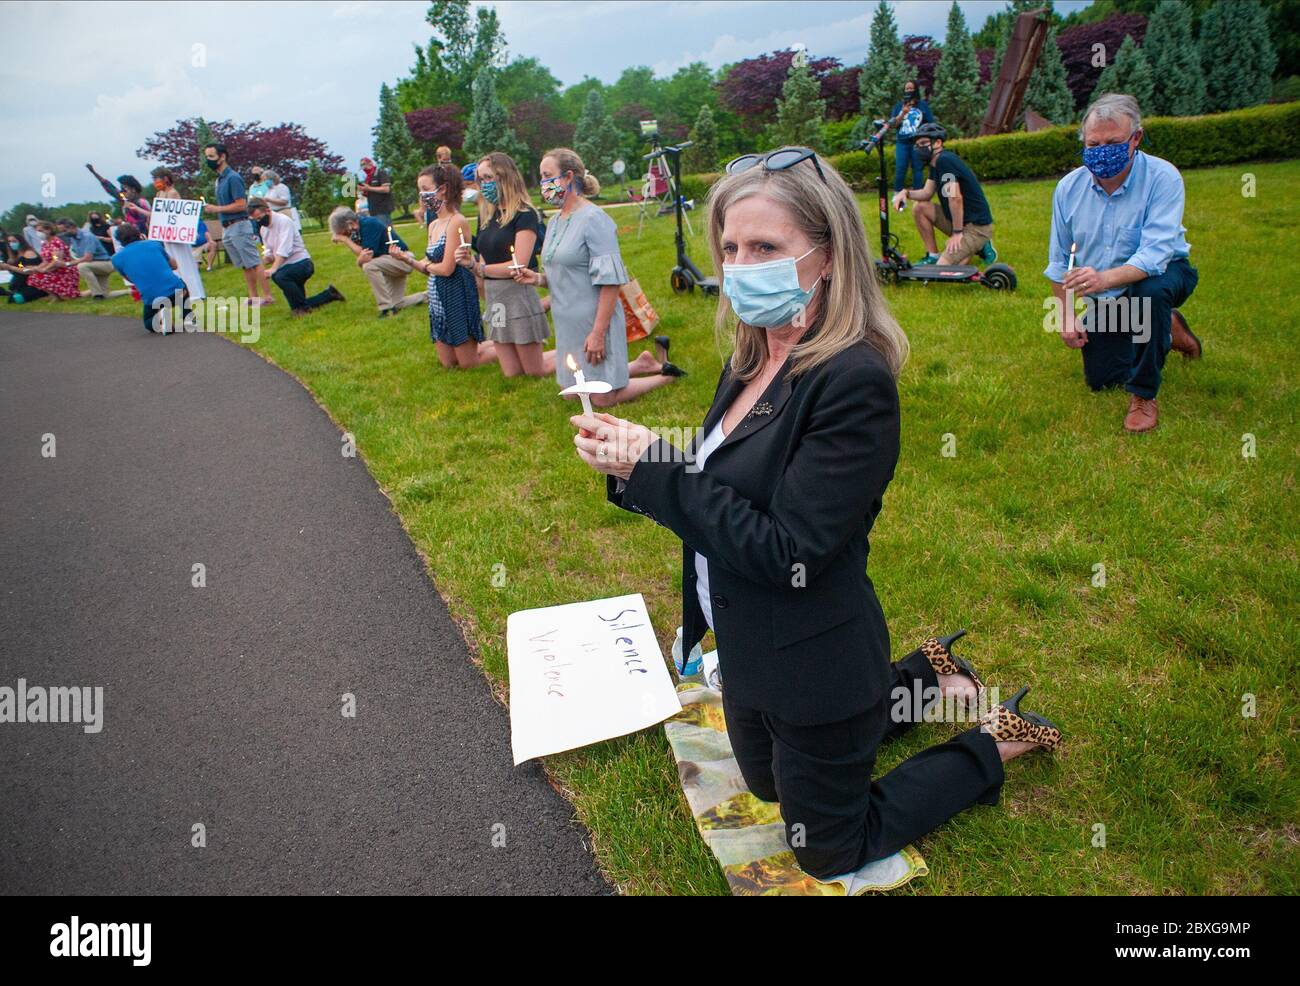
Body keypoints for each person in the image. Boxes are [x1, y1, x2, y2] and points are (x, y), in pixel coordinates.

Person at [568, 147, 1062, 882]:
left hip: (813, 656)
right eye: (730, 248)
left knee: (827, 848)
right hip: (747, 646)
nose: (740, 265)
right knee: (767, 785)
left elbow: (786, 549)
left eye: (765, 247)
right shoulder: (753, 355)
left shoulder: (852, 381)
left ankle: (995, 740)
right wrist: (630, 464)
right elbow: (716, 483)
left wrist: (656, 468)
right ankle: (925, 678)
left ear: (827, 256)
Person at [1045, 94, 1200, 434]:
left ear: (1136, 138)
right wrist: (1068, 315)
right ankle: (1167, 327)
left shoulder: (1163, 178)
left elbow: (1155, 256)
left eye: (1113, 142)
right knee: (1103, 380)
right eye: (1093, 143)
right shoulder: (1068, 188)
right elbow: (1059, 261)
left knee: (1151, 291)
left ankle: (1144, 396)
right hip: (1111, 293)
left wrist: (1102, 280)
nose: (1102, 150)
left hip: (1166, 272)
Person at [510, 147, 683, 406]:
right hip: (567, 321)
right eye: (541, 176)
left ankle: (665, 376)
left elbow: (611, 282)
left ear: (568, 177)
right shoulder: (556, 221)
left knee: (602, 398)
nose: (543, 183)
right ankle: (641, 364)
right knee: (572, 393)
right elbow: (562, 271)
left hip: (594, 320)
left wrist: (598, 334)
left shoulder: (594, 219)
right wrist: (536, 279)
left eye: (548, 176)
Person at [389, 165, 496, 368]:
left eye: (425, 188)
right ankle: (495, 344)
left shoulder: (456, 221)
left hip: (456, 293)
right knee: (449, 363)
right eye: (420, 190)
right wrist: (405, 259)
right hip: (437, 295)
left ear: (443, 189)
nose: (422, 195)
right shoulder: (433, 224)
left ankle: (508, 346)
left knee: (468, 364)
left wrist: (427, 264)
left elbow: (447, 269)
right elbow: (428, 267)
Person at [458, 152, 550, 376]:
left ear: (504, 177)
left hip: (518, 295)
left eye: (488, 178)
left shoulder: (525, 214)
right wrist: (471, 262)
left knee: (534, 371)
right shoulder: (486, 215)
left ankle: (573, 355)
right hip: (495, 297)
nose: (483, 184)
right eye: (480, 179)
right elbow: (482, 256)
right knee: (511, 373)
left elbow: (517, 264)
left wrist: (480, 269)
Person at [892, 123, 997, 267]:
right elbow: (926, 193)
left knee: (943, 268)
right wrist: (905, 193)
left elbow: (955, 198)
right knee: (920, 207)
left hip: (976, 227)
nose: (919, 148)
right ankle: (933, 255)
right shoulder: (935, 163)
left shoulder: (945, 161)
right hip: (960, 221)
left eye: (923, 143)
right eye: (917, 145)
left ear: (938, 143)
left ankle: (978, 244)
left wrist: (957, 233)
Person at [203, 142, 274, 306]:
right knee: (244, 264)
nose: (209, 160)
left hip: (239, 225)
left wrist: (216, 209)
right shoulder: (219, 180)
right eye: (207, 157)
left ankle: (267, 296)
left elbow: (241, 204)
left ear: (222, 157)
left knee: (254, 262)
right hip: (227, 227)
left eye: (211, 156)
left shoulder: (233, 178)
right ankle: (253, 296)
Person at [248, 197, 343, 317]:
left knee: (279, 276)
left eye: (259, 218)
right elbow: (269, 252)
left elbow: (284, 249)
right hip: (286, 267)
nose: (258, 222)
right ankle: (329, 294)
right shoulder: (263, 230)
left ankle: (307, 306)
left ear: (267, 211)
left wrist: (273, 269)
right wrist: (262, 261)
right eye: (254, 220)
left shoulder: (283, 221)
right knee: (297, 308)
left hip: (302, 263)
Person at [327, 206, 420, 317]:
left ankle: (386, 308)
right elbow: (362, 255)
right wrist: (359, 259)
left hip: (403, 260)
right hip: (389, 262)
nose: (345, 235)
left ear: (350, 223)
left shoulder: (369, 224)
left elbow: (366, 255)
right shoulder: (358, 229)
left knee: (369, 266)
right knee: (398, 303)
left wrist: (345, 240)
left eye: (344, 232)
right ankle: (429, 296)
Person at [111, 222, 193, 333]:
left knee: (148, 322)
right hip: (176, 290)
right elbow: (174, 266)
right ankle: (187, 316)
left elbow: (130, 279)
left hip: (152, 298)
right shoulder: (154, 244)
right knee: (181, 286)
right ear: (139, 234)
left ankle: (161, 320)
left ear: (120, 240)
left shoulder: (116, 259)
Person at [151, 167, 206, 301]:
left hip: (177, 234)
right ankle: (181, 292)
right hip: (167, 235)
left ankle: (194, 292)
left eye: (157, 179)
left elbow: (178, 215)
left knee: (184, 263)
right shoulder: (159, 195)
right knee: (174, 264)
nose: (155, 182)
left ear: (165, 179)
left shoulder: (173, 193)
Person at [889, 79, 934, 196]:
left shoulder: (923, 106)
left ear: (916, 90)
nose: (909, 90)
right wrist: (903, 113)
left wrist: (926, 139)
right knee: (900, 168)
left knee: (917, 169)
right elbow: (893, 125)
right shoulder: (899, 106)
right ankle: (897, 194)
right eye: (907, 88)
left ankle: (918, 194)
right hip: (902, 143)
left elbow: (930, 123)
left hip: (917, 143)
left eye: (911, 88)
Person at [54, 217, 116, 299]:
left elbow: (87, 258)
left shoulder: (87, 236)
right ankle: (130, 291)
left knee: (82, 266)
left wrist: (66, 264)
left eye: (64, 230)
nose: (63, 233)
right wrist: (56, 258)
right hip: (93, 265)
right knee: (106, 295)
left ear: (72, 227)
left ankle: (97, 295)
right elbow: (76, 257)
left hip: (105, 263)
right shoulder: (73, 238)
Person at [24, 221, 81, 300]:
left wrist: (44, 269)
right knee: (33, 277)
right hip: (53, 269)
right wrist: (36, 268)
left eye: (41, 231)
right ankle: (55, 296)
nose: (38, 233)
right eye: (37, 231)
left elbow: (56, 260)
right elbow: (45, 261)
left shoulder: (56, 242)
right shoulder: (45, 243)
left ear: (49, 230)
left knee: (69, 298)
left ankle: (89, 292)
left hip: (64, 270)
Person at [1, 231, 48, 303]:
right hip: (23, 283)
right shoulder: (17, 253)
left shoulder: (28, 253)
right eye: (9, 242)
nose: (11, 244)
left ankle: (44, 294)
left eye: (14, 241)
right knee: (12, 298)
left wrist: (9, 267)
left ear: (21, 241)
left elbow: (28, 271)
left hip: (33, 283)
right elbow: (21, 266)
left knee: (14, 299)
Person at [358, 156, 393, 228]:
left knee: (387, 232)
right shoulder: (368, 178)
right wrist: (363, 190)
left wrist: (369, 188)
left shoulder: (380, 172)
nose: (364, 169)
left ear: (370, 163)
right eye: (363, 168)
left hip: (382, 209)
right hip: (373, 210)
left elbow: (386, 189)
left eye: (365, 165)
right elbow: (370, 192)